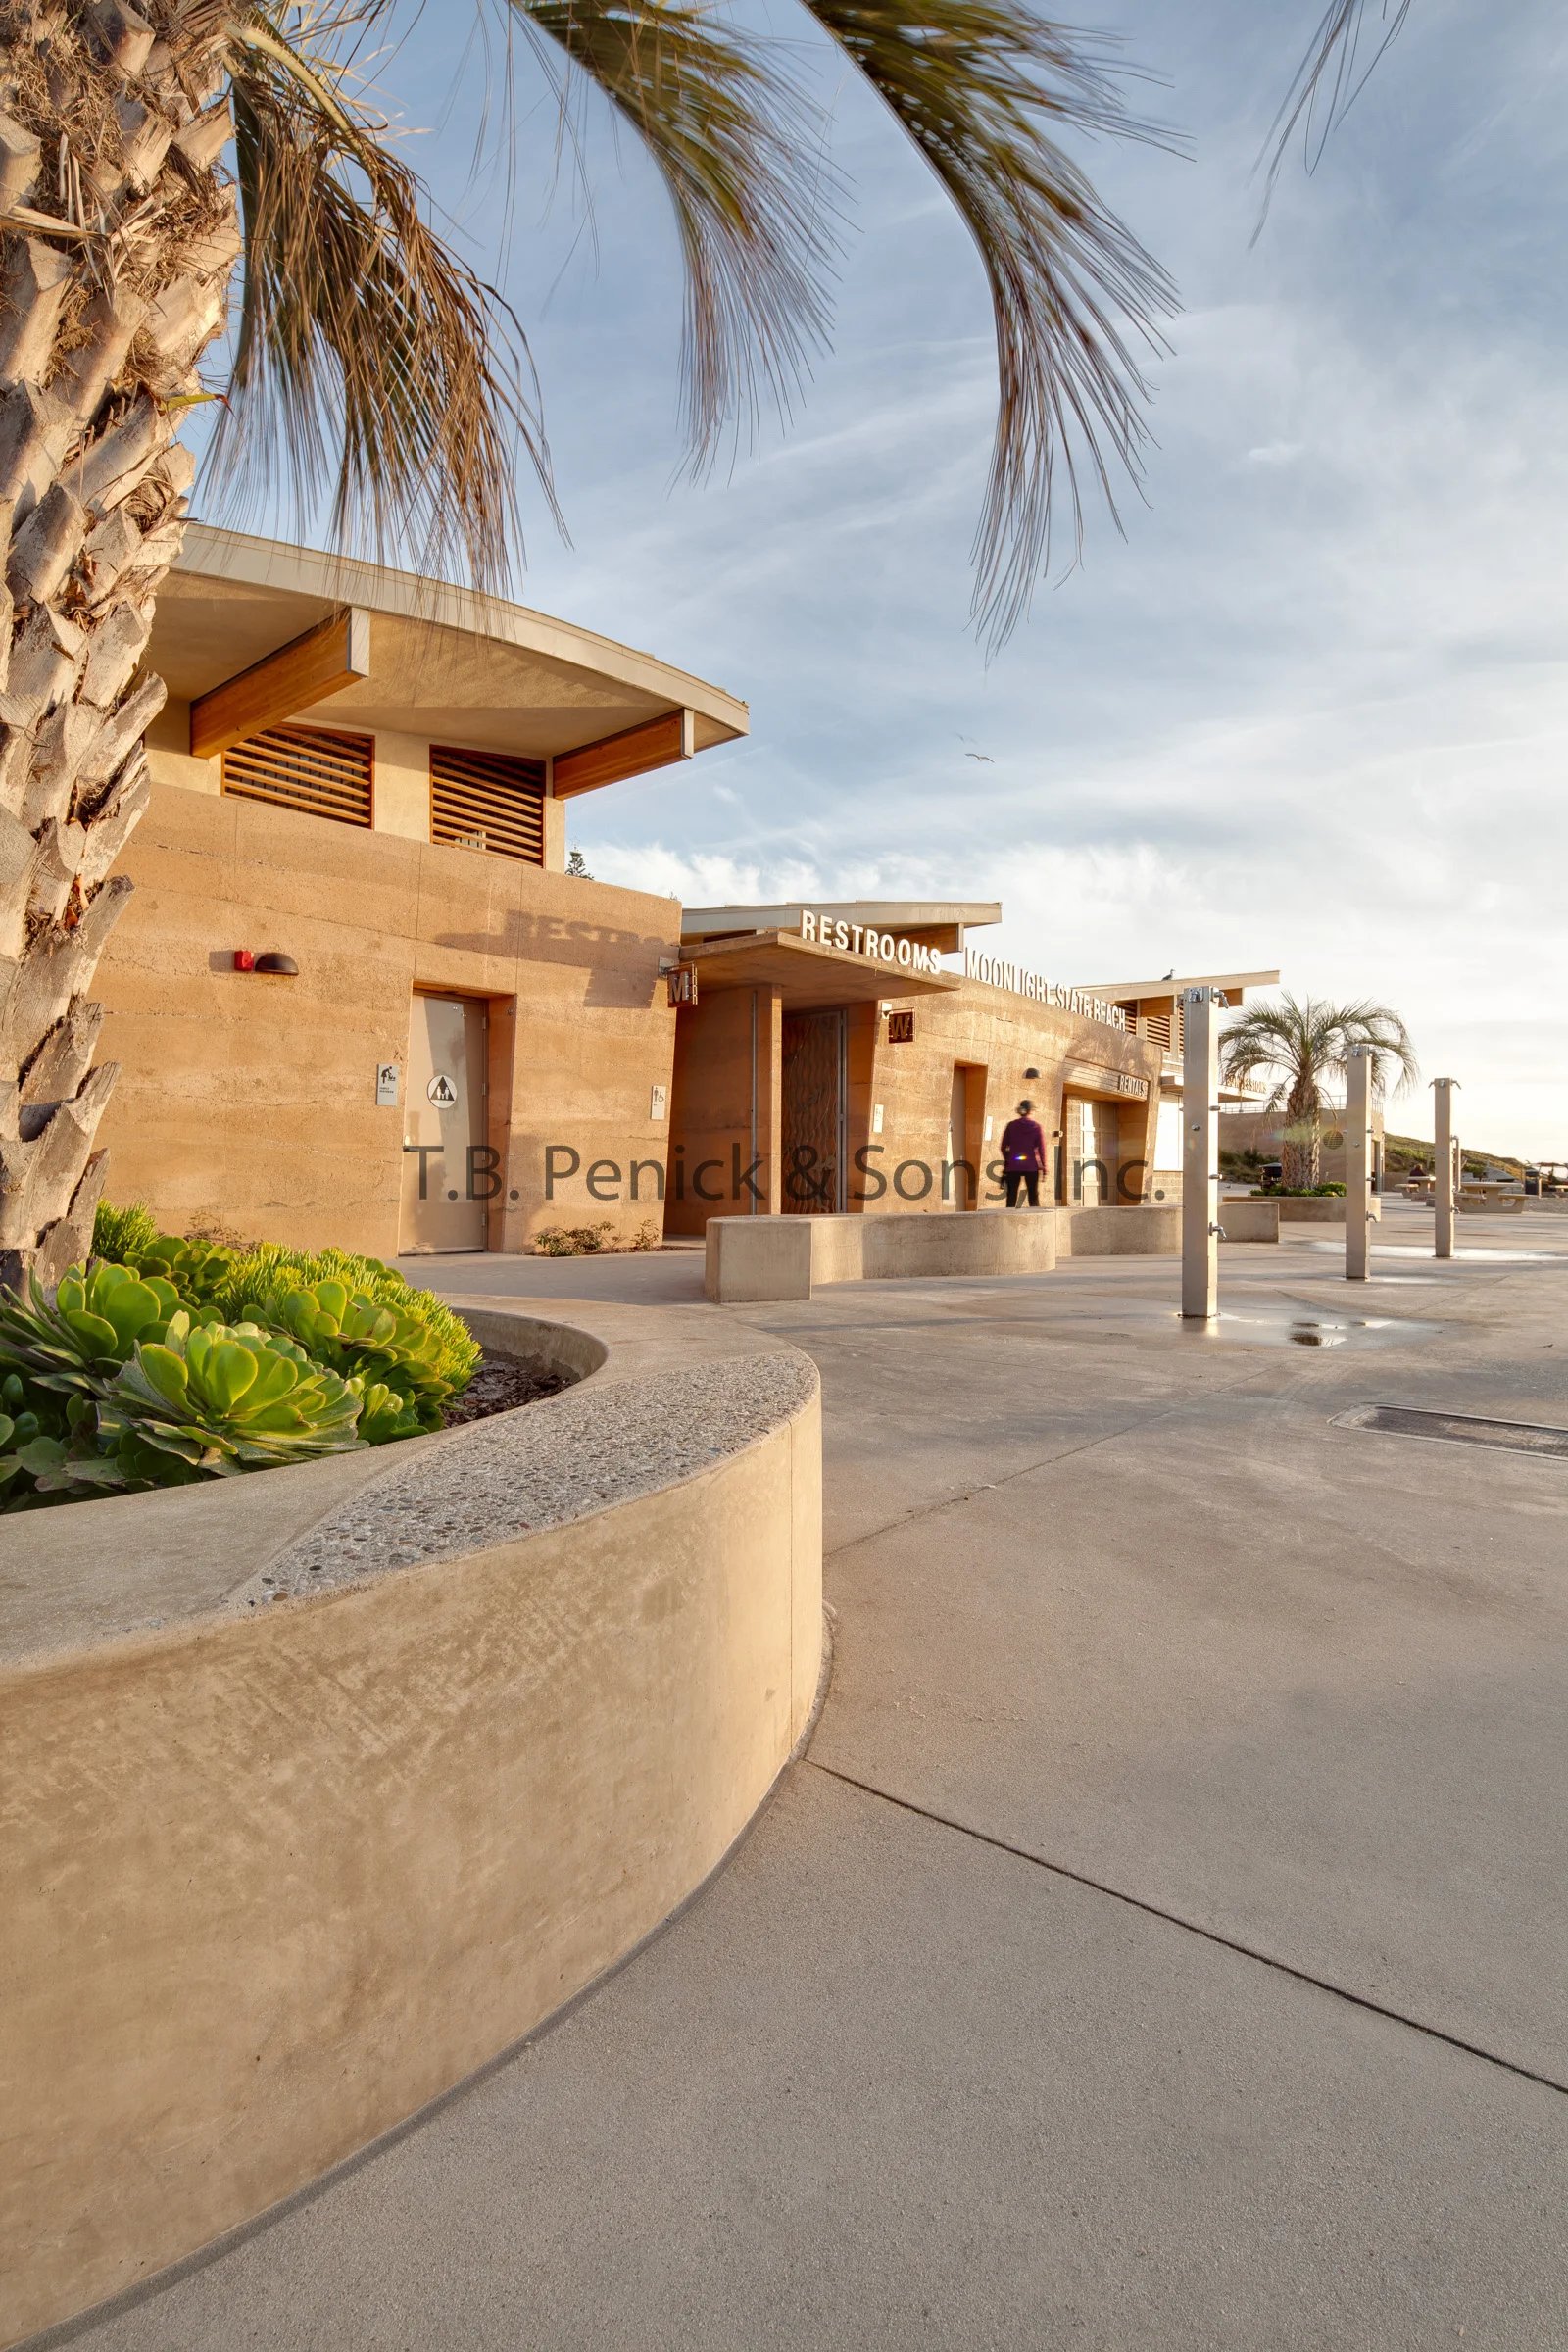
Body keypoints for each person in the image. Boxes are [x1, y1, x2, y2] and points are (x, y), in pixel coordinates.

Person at [1000, 1098, 1047, 1207]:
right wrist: (1044, 1168)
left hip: (1013, 1166)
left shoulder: (1011, 1125)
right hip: (1031, 1166)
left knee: (1011, 1196)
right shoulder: (1036, 1127)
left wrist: (1009, 1158)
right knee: (1033, 1197)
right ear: (1031, 1111)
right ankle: (1035, 1222)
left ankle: (1009, 1221)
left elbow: (1002, 1147)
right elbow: (1041, 1150)